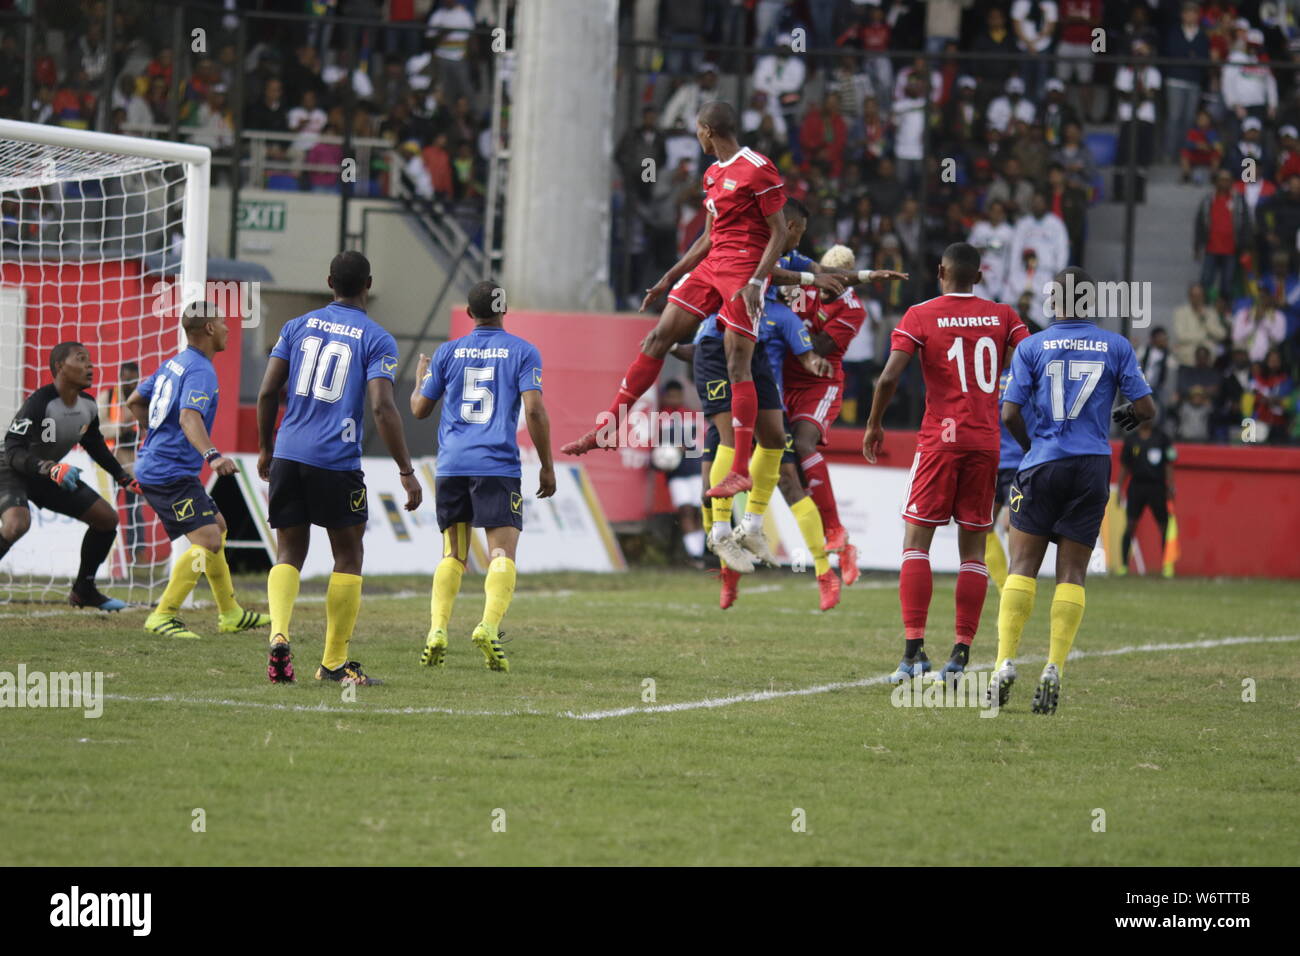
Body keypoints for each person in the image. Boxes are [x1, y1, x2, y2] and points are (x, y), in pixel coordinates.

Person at [561, 102, 788, 504]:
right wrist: (669, 276)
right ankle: (609, 426)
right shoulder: (712, 173)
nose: (696, 138)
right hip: (712, 265)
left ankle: (739, 472)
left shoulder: (757, 167)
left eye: (697, 131)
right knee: (657, 338)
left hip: (743, 272)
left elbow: (780, 231)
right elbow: (707, 237)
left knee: (737, 360)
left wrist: (756, 279)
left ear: (706, 131)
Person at [863, 242, 1030, 685]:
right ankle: (960, 655)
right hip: (985, 442)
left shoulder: (920, 314)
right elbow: (1031, 363)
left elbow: (888, 377)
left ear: (940, 271)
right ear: (978, 275)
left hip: (940, 440)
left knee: (916, 543)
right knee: (973, 551)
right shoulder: (1004, 316)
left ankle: (913, 652)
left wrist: (874, 424)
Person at [993, 266, 1157, 714]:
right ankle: (1053, 667)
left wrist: (1036, 449)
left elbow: (1009, 414)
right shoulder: (1115, 345)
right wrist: (1114, 423)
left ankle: (1005, 662)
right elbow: (1145, 409)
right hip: (1091, 466)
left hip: (1043, 462)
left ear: (1054, 302)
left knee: (1022, 566)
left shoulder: (1031, 346)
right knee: (1073, 573)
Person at [255, 251, 422, 686]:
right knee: (348, 555)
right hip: (335, 459)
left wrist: (265, 448)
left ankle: (278, 634)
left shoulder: (295, 326)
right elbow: (383, 408)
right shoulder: (377, 337)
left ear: (329, 281)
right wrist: (406, 469)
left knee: (289, 551)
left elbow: (267, 391)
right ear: (369, 283)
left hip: (289, 455)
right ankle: (333, 662)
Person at [411, 281, 554, 671]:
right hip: (497, 466)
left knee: (453, 554)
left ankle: (437, 630)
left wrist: (421, 376)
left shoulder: (447, 352)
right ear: (504, 311)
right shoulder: (523, 351)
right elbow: (535, 411)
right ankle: (488, 627)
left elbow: (420, 409)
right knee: (502, 554)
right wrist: (546, 464)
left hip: (453, 465)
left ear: (470, 314)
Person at [127, 306, 270, 639]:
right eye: (222, 323)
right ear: (208, 327)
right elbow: (189, 418)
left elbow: (135, 400)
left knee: (217, 528)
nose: (227, 328)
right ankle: (162, 615)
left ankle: (231, 613)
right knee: (207, 540)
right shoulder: (201, 371)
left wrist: (155, 434)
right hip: (168, 472)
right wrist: (213, 456)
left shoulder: (174, 363)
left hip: (163, 466)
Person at [0, 343, 137, 610]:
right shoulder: (40, 402)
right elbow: (13, 448)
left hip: (48, 473)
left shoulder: (88, 405)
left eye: (90, 360)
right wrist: (47, 468)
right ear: (60, 367)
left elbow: (95, 444)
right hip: (11, 469)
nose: (90, 366)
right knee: (17, 524)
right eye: (81, 359)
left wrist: (123, 477)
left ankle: (84, 590)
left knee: (107, 519)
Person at [98, 361, 144, 562]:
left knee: (135, 510)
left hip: (134, 461)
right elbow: (97, 428)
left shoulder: (143, 398)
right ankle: (108, 553)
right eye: (127, 378)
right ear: (120, 377)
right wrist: (120, 428)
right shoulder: (107, 397)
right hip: (111, 459)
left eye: (134, 379)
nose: (130, 383)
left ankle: (138, 555)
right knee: (107, 508)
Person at [1118, 418, 1175, 577]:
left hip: (1157, 487)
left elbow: (1169, 464)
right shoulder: (1131, 440)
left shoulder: (1162, 438)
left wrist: (1171, 486)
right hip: (1136, 487)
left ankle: (1167, 566)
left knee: (1164, 526)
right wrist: (1121, 488)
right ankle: (1123, 565)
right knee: (1130, 525)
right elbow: (1124, 466)